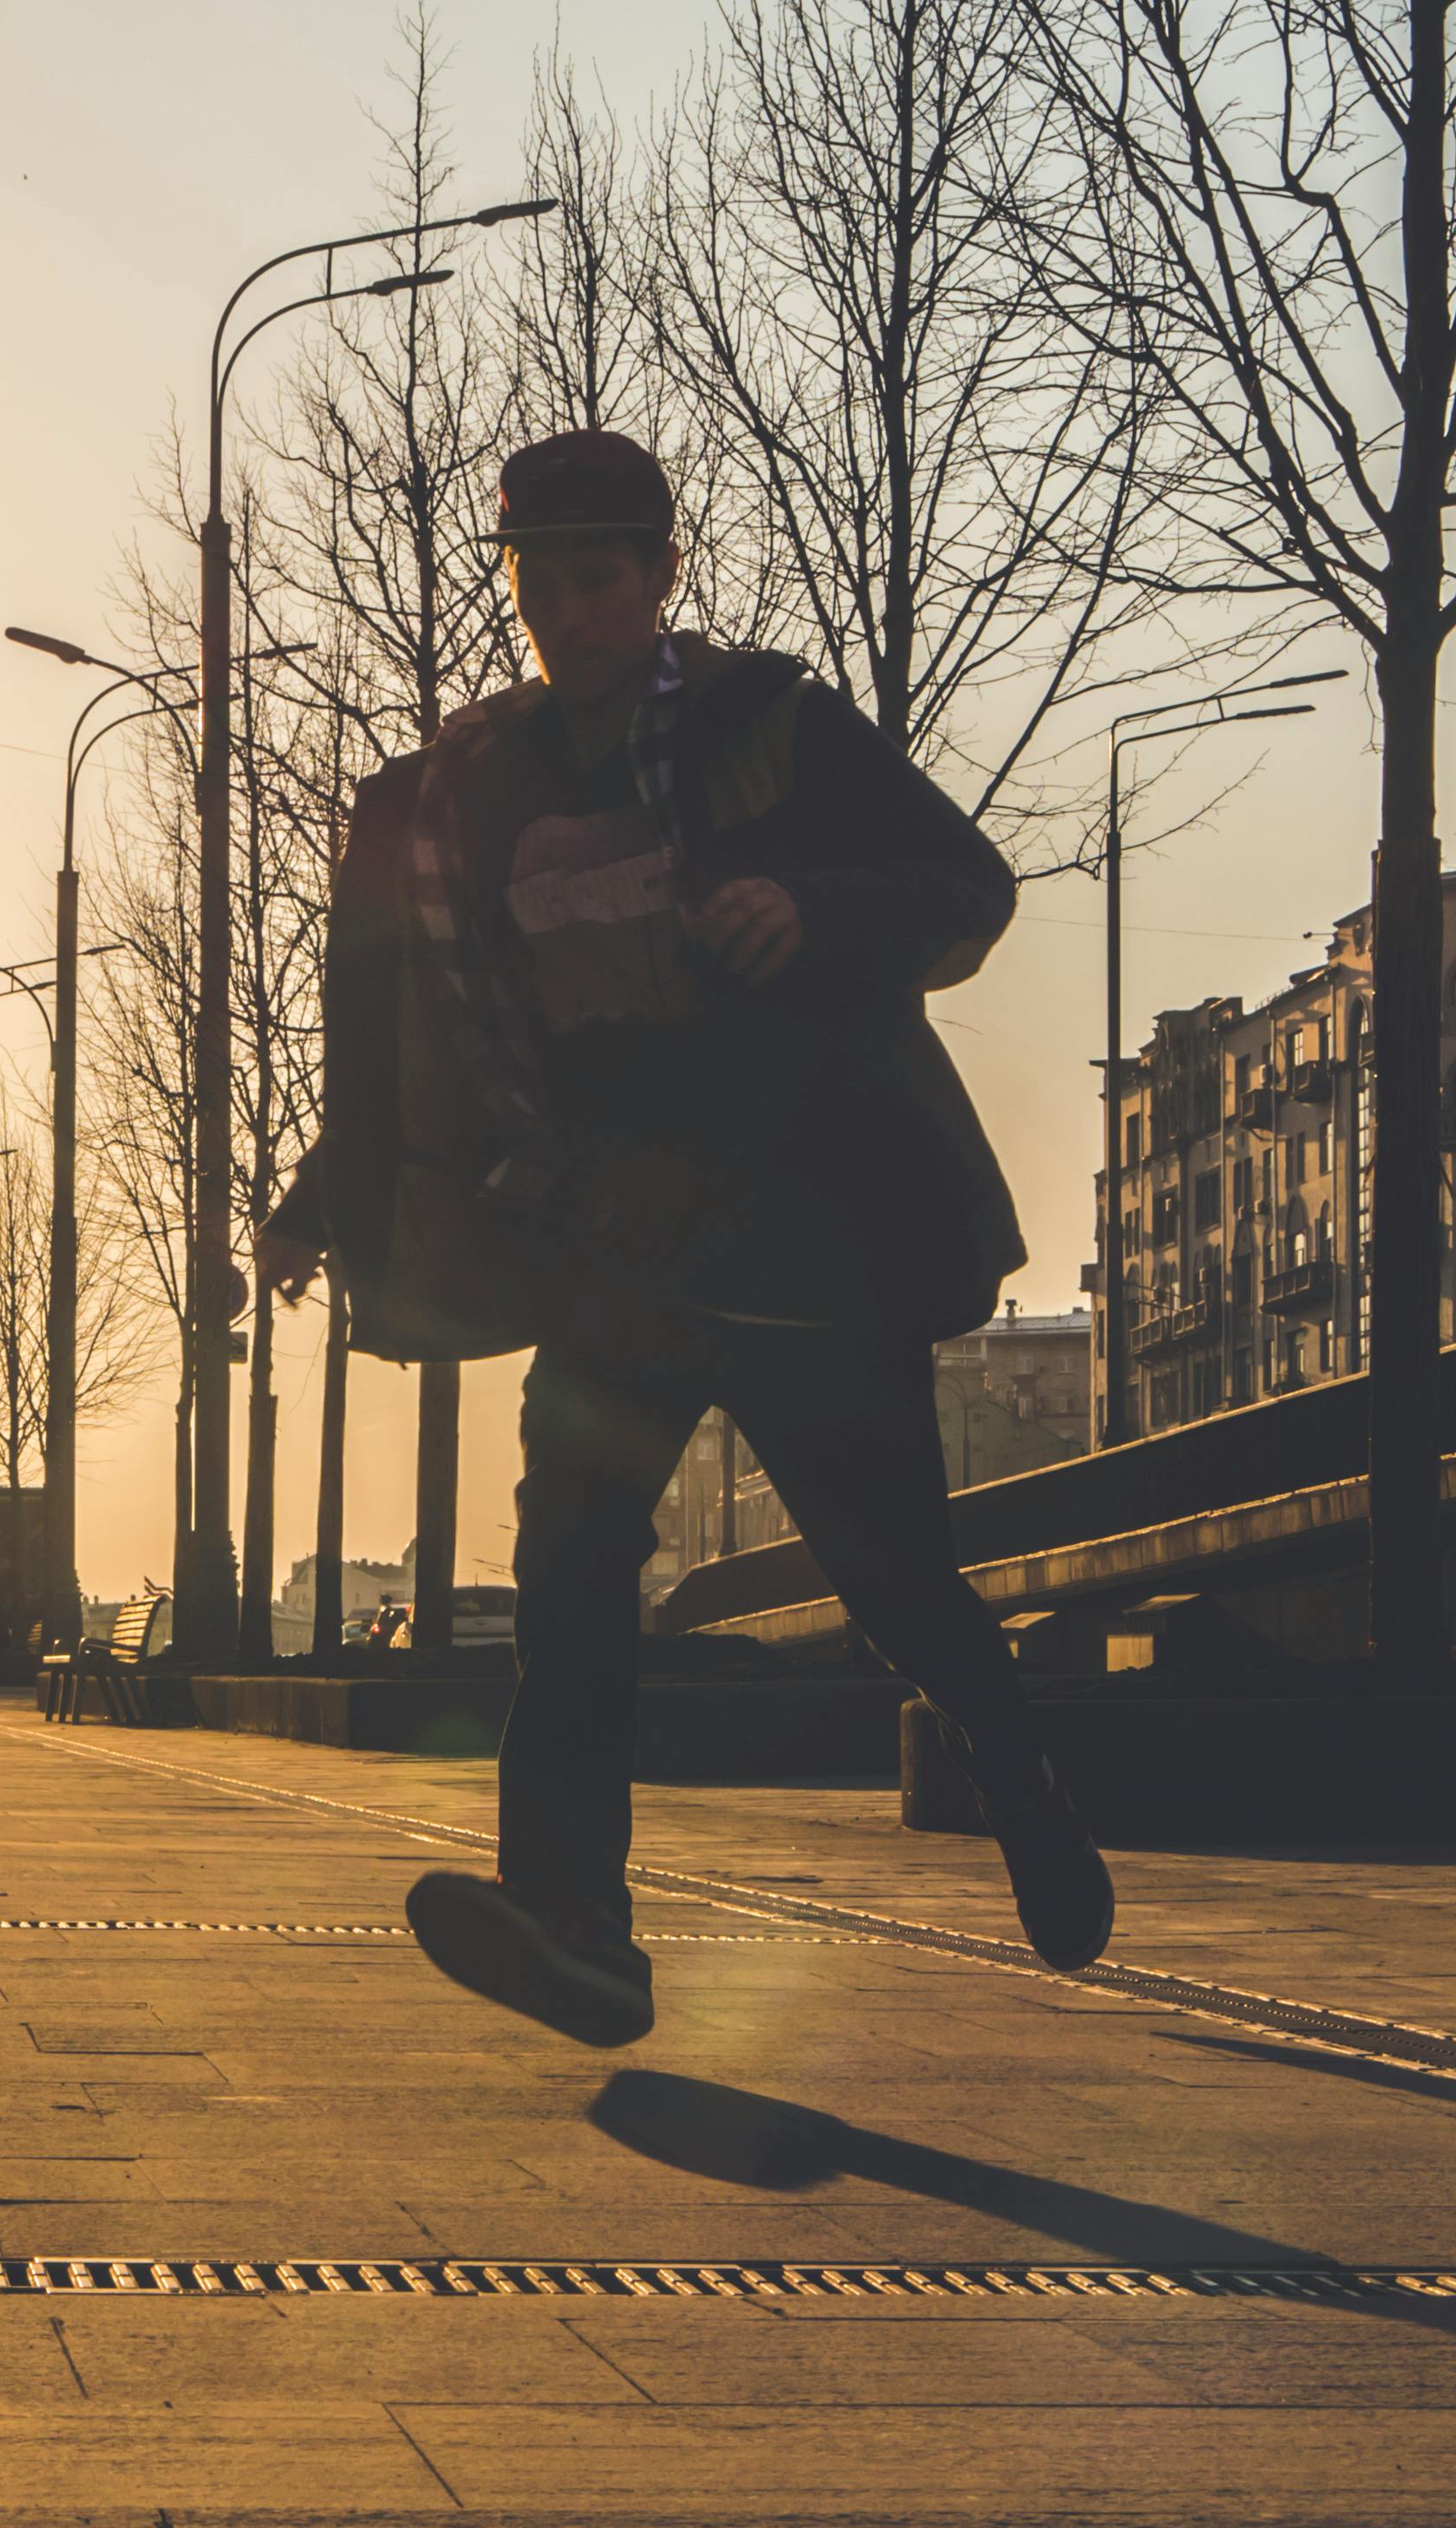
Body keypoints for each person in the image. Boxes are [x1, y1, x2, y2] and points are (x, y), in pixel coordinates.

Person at [255, 428, 1112, 2050]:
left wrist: (820, 910)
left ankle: (1025, 1780)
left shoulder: (769, 732)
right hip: (610, 1234)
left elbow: (965, 882)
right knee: (574, 1562)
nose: (569, 612)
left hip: (797, 1225)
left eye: (600, 579)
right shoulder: (464, 791)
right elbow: (389, 1019)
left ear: (661, 576)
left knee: (896, 1586)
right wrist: (329, 1190)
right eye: (540, 583)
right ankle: (575, 1918)